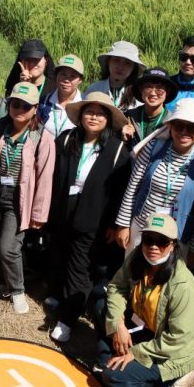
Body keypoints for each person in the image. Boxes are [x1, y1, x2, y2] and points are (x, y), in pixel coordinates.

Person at [47, 92, 132, 343]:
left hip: (93, 217)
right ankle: (59, 295)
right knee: (59, 254)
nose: (93, 117)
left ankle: (68, 319)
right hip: (63, 210)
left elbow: (120, 191)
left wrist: (115, 224)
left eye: (100, 113)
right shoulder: (67, 139)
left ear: (108, 119)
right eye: (89, 111)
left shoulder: (117, 150)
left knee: (80, 267)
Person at [97, 215, 194, 387]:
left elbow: (178, 339)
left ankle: (175, 379)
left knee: (113, 379)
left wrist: (136, 352)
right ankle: (111, 358)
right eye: (148, 240)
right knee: (99, 302)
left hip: (170, 350)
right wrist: (118, 325)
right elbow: (116, 287)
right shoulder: (137, 258)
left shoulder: (183, 285)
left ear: (172, 245)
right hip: (143, 326)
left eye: (162, 242)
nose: (153, 246)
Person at [0, 82, 55, 314]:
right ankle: (0, 284)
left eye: (25, 105)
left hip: (19, 198)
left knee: (9, 246)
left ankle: (17, 289)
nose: (19, 109)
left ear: (35, 108)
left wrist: (39, 213)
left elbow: (45, 177)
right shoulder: (0, 127)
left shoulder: (42, 137)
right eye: (14, 104)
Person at [114, 98, 194, 255]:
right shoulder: (153, 147)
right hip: (142, 228)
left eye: (192, 127)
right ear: (170, 126)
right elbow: (133, 186)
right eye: (179, 125)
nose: (184, 132)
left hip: (176, 236)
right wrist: (123, 225)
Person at [122, 67, 177, 144]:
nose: (153, 93)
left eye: (159, 88)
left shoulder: (172, 123)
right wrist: (123, 139)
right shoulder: (128, 117)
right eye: (148, 87)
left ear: (167, 92)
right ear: (141, 90)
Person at [86, 41, 144, 111]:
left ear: (133, 68)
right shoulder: (95, 89)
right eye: (116, 60)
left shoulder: (138, 94)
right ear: (108, 62)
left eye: (127, 63)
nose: (120, 67)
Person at [39, 54, 84, 137]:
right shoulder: (43, 102)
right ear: (56, 75)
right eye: (63, 74)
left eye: (73, 76)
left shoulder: (84, 105)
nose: (66, 80)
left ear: (80, 80)